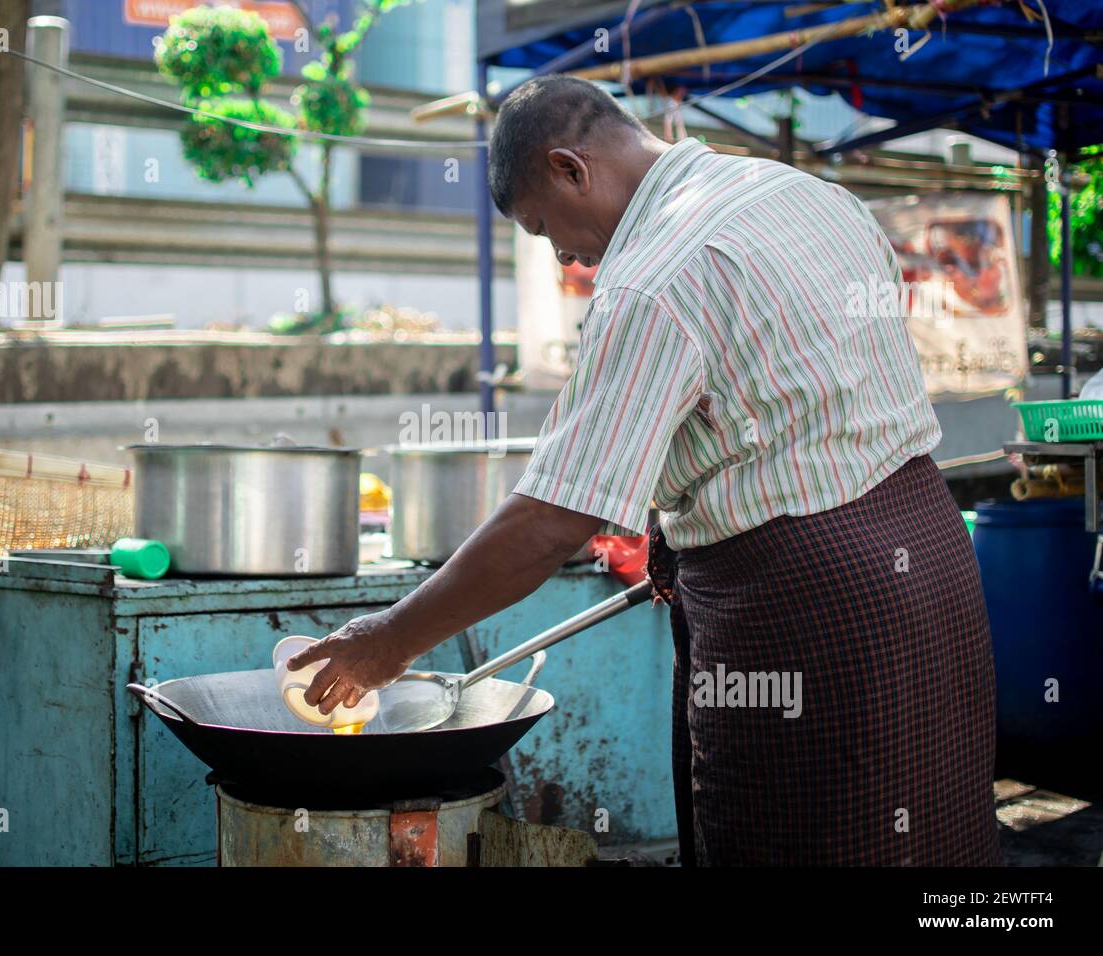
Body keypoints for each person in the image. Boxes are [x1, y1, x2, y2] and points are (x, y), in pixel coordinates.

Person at [288, 75, 1002, 866]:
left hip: (805, 603)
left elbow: (554, 517)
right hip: (932, 559)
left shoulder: (653, 280)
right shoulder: (802, 193)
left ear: (570, 168)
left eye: (544, 228)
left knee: (797, 838)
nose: (563, 254)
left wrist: (389, 642)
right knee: (934, 836)